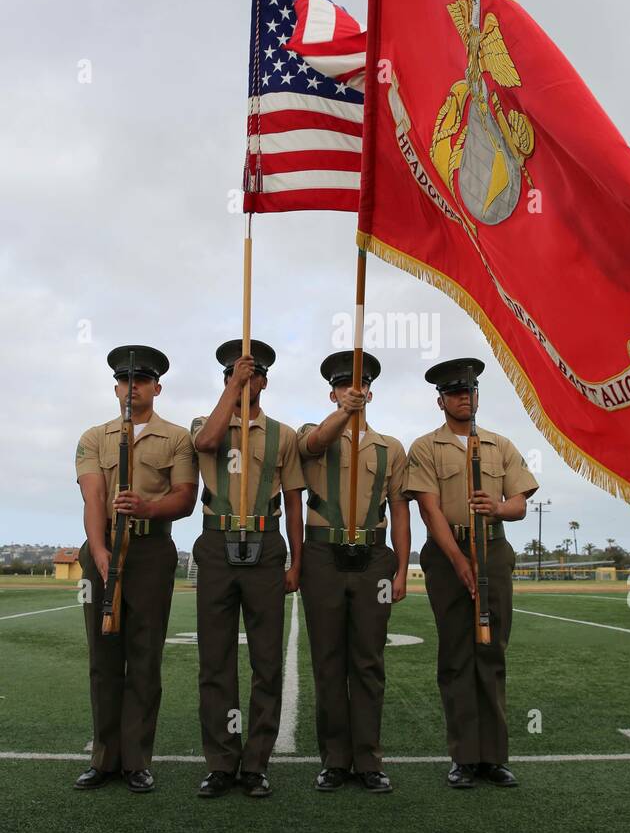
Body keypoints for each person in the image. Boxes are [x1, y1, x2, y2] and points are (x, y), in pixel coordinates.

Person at [403, 358, 538, 789]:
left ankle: (494, 757)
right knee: (457, 655)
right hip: (448, 555)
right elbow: (429, 509)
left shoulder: (500, 445)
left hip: (494, 550)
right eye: (455, 392)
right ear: (440, 400)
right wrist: (459, 561)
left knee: (492, 651)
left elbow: (518, 503)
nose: (465, 397)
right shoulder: (425, 447)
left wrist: (497, 508)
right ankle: (464, 757)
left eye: (470, 390)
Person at [75, 345, 198, 793]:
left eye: (142, 381)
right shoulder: (94, 436)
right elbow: (92, 497)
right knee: (104, 656)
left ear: (156, 387)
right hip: (103, 548)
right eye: (126, 381)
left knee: (144, 657)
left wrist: (147, 505)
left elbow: (185, 499)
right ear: (116, 387)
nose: (133, 388)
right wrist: (98, 549)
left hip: (151, 550)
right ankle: (104, 758)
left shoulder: (177, 437)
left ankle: (136, 761)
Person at [192, 340, 303, 800]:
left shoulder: (284, 434)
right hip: (218, 543)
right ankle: (221, 762)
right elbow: (207, 443)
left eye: (253, 375)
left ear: (265, 381)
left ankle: (255, 763)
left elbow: (295, 500)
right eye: (235, 374)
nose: (245, 381)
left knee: (266, 661)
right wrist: (231, 390)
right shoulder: (205, 420)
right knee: (216, 660)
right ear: (225, 379)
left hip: (266, 543)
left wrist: (297, 560)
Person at [297, 351, 410, 793]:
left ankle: (369, 760)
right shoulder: (315, 431)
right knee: (328, 662)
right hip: (323, 556)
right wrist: (343, 413)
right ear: (333, 392)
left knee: (368, 662)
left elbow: (400, 511)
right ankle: (335, 760)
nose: (352, 391)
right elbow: (312, 446)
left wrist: (401, 566)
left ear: (371, 391)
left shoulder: (390, 448)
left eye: (358, 386)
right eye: (343, 386)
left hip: (373, 559)